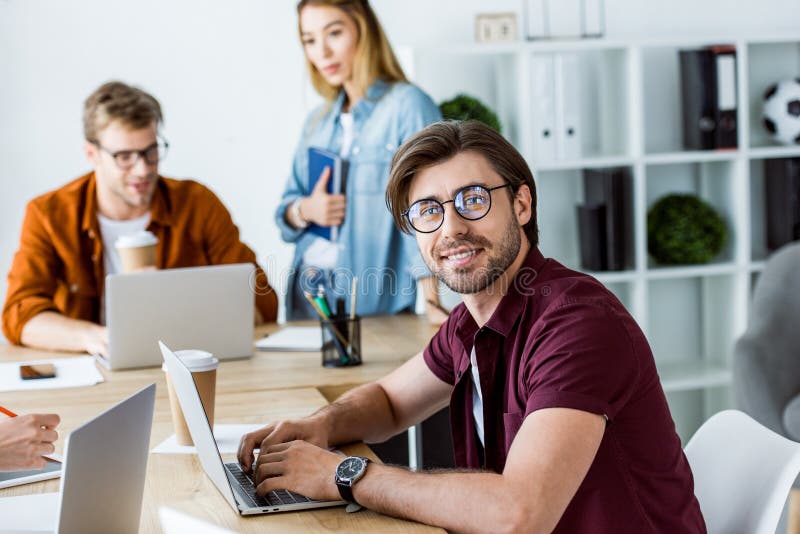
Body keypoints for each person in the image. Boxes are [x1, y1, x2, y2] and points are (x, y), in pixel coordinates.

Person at [238, 121, 706, 533]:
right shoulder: (470, 320)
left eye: (474, 200)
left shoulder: (578, 324)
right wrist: (320, 424)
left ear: (522, 204)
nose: (451, 228)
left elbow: (518, 515)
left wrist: (346, 476)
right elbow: (389, 402)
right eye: (428, 210)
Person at [2, 81, 278, 357]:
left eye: (151, 151)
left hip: (183, 364)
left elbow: (261, 303)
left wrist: (174, 294)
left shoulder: (197, 204)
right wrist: (93, 337)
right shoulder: (50, 214)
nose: (143, 169)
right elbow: (19, 314)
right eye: (124, 156)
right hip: (94, 370)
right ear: (92, 154)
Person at [276, 0, 446, 323]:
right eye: (309, 40)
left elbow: (428, 208)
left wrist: (433, 303)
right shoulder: (317, 122)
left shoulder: (408, 107)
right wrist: (304, 210)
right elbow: (284, 212)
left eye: (334, 33)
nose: (321, 52)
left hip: (370, 308)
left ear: (363, 31)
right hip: (306, 302)